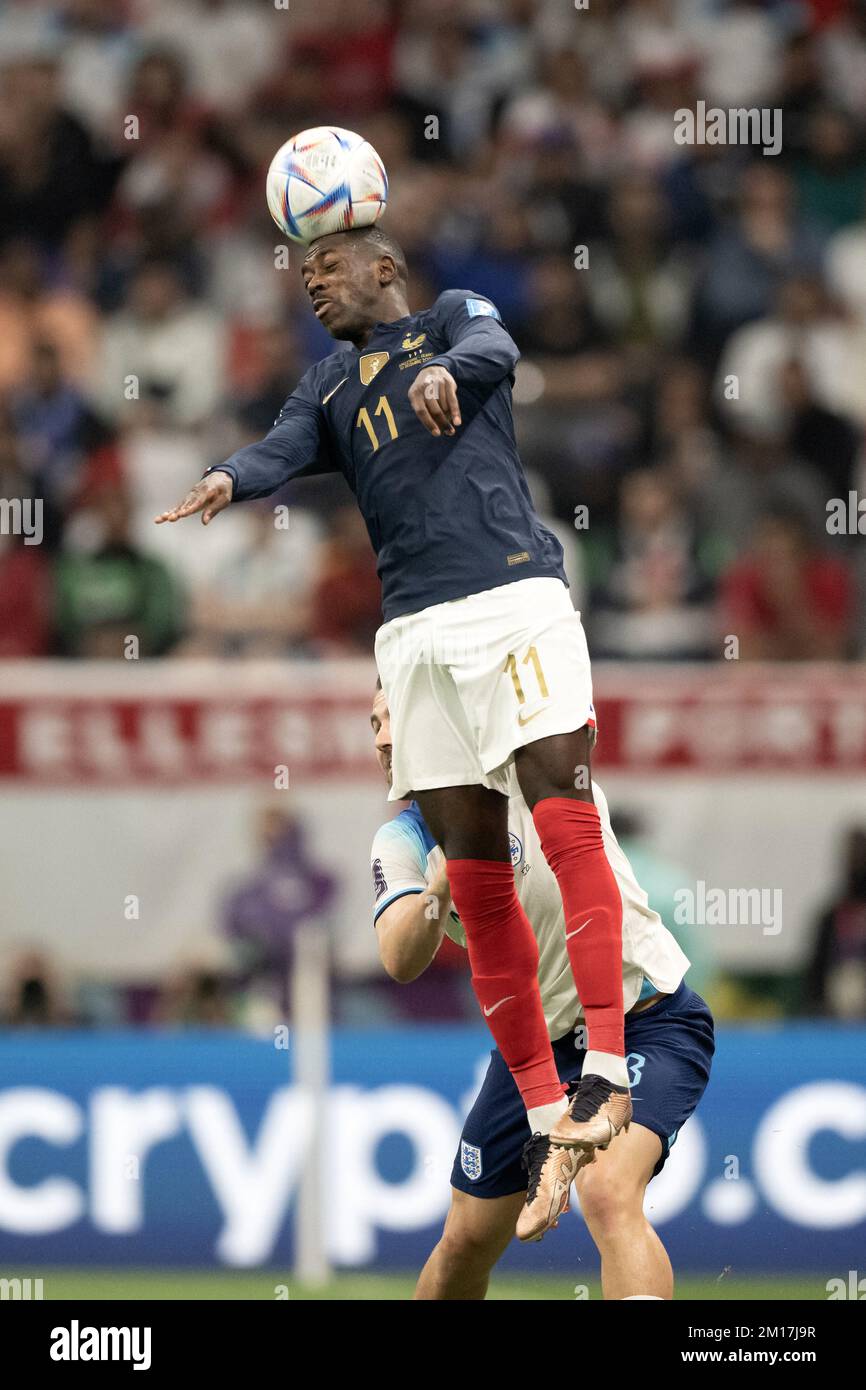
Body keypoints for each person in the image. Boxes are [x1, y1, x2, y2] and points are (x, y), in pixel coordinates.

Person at [156, 224, 631, 1238]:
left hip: (512, 599)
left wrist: (446, 373)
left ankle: (605, 1064)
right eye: (301, 273)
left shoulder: (453, 320)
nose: (313, 284)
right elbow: (284, 449)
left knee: (562, 812)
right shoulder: (325, 385)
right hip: (410, 633)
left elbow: (500, 353)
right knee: (473, 871)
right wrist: (230, 478)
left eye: (327, 266)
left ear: (384, 268)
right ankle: (545, 1106)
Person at [369, 680, 714, 1295]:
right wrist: (440, 887)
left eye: (393, 718)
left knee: (606, 1193)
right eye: (373, 725)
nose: (383, 739)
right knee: (466, 1240)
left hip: (646, 1020)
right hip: (537, 1047)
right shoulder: (404, 838)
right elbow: (399, 958)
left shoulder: (533, 772)